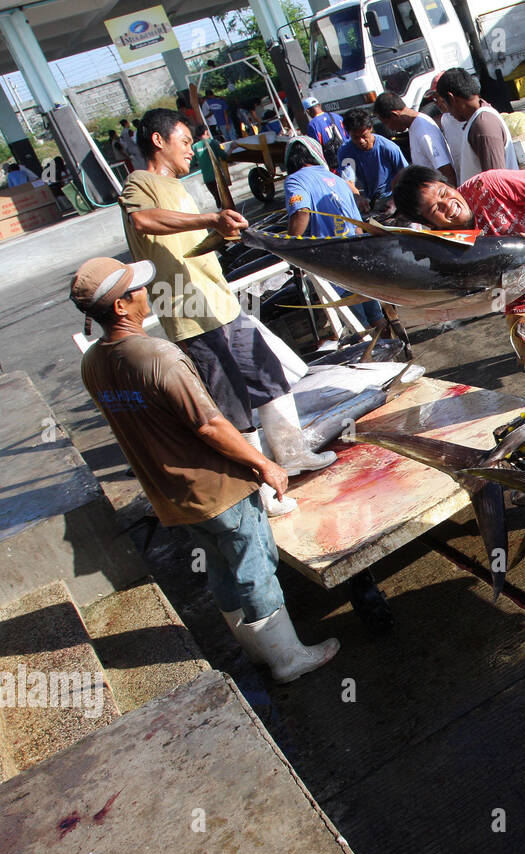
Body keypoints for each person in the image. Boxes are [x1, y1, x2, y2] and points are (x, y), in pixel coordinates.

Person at [71, 255, 339, 683]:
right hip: (218, 488)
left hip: (173, 494)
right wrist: (263, 462)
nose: (145, 294)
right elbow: (210, 424)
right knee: (255, 565)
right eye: (136, 290)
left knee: (220, 569)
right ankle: (287, 658)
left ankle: (256, 652)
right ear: (121, 307)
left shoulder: (93, 364)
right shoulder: (159, 356)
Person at [118, 108, 336, 519]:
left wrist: (219, 233)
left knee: (268, 377)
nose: (190, 151)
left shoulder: (175, 187)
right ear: (158, 141)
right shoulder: (139, 183)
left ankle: (293, 454)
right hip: (190, 313)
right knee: (230, 405)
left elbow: (185, 240)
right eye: (184, 142)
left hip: (221, 305)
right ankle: (261, 490)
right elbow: (144, 220)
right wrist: (208, 218)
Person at [392, 165, 525, 399]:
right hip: (524, 306)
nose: (448, 205)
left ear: (449, 184)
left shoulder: (487, 184)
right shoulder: (444, 246)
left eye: (444, 193)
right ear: (428, 223)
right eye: (436, 208)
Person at [283, 136, 384, 327]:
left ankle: (372, 353)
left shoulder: (295, 180)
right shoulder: (337, 179)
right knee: (375, 315)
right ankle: (394, 348)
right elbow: (357, 225)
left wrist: (288, 248)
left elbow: (301, 212)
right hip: (357, 259)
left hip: (332, 264)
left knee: (356, 324)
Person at [434, 69, 519, 185]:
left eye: (445, 102)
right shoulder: (477, 119)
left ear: (452, 98)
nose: (448, 112)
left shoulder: (482, 125)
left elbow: (497, 182)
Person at [373, 91, 456, 185]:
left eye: (386, 123)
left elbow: (446, 170)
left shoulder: (423, 131)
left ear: (394, 115)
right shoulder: (415, 125)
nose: (389, 128)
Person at [338, 108, 409, 216]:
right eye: (355, 137)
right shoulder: (346, 151)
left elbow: (407, 175)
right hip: (371, 201)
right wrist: (358, 198)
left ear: (370, 128)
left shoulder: (389, 148)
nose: (361, 141)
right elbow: (348, 180)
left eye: (364, 136)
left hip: (395, 199)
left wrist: (395, 200)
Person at [188, 118, 229, 209]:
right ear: (206, 132)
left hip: (207, 179)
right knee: (226, 200)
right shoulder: (213, 142)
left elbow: (192, 163)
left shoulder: (194, 147)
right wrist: (232, 148)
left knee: (218, 200)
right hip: (218, 176)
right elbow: (224, 156)